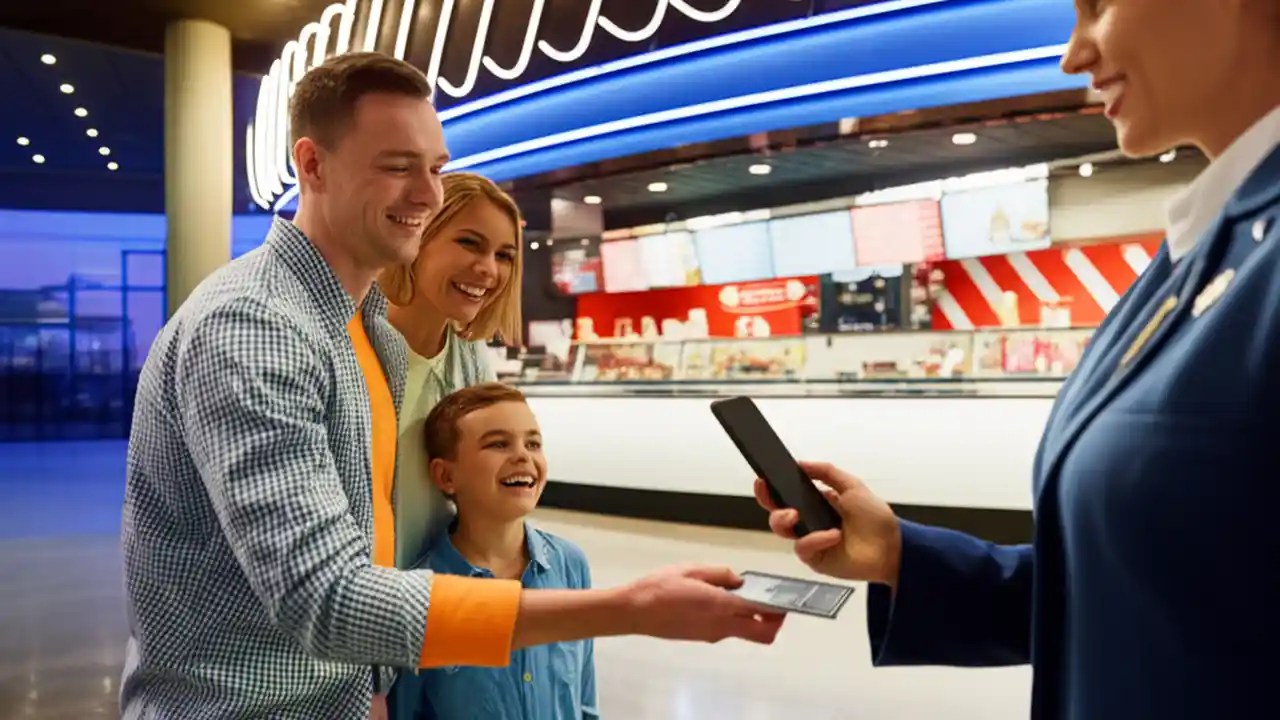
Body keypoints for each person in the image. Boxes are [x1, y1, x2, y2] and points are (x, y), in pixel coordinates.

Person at [119, 51, 783, 720]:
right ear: (313, 165)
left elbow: (373, 548)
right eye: (398, 166)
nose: (427, 194)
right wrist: (628, 608)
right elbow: (325, 598)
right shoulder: (257, 328)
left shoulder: (365, 330)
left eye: (434, 168)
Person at [756, 2, 1280, 719]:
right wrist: (900, 557)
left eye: (1099, 7)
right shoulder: (1193, 251)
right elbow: (1133, 595)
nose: (1074, 54)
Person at [388, 382, 598, 720]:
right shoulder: (421, 593)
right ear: (445, 476)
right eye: (498, 444)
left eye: (533, 443)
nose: (523, 455)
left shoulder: (570, 564)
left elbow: (584, 699)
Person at [379, 171, 523, 571]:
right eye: (469, 244)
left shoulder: (471, 359)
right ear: (418, 237)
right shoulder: (350, 345)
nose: (489, 270)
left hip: (441, 598)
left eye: (504, 256)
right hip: (361, 605)